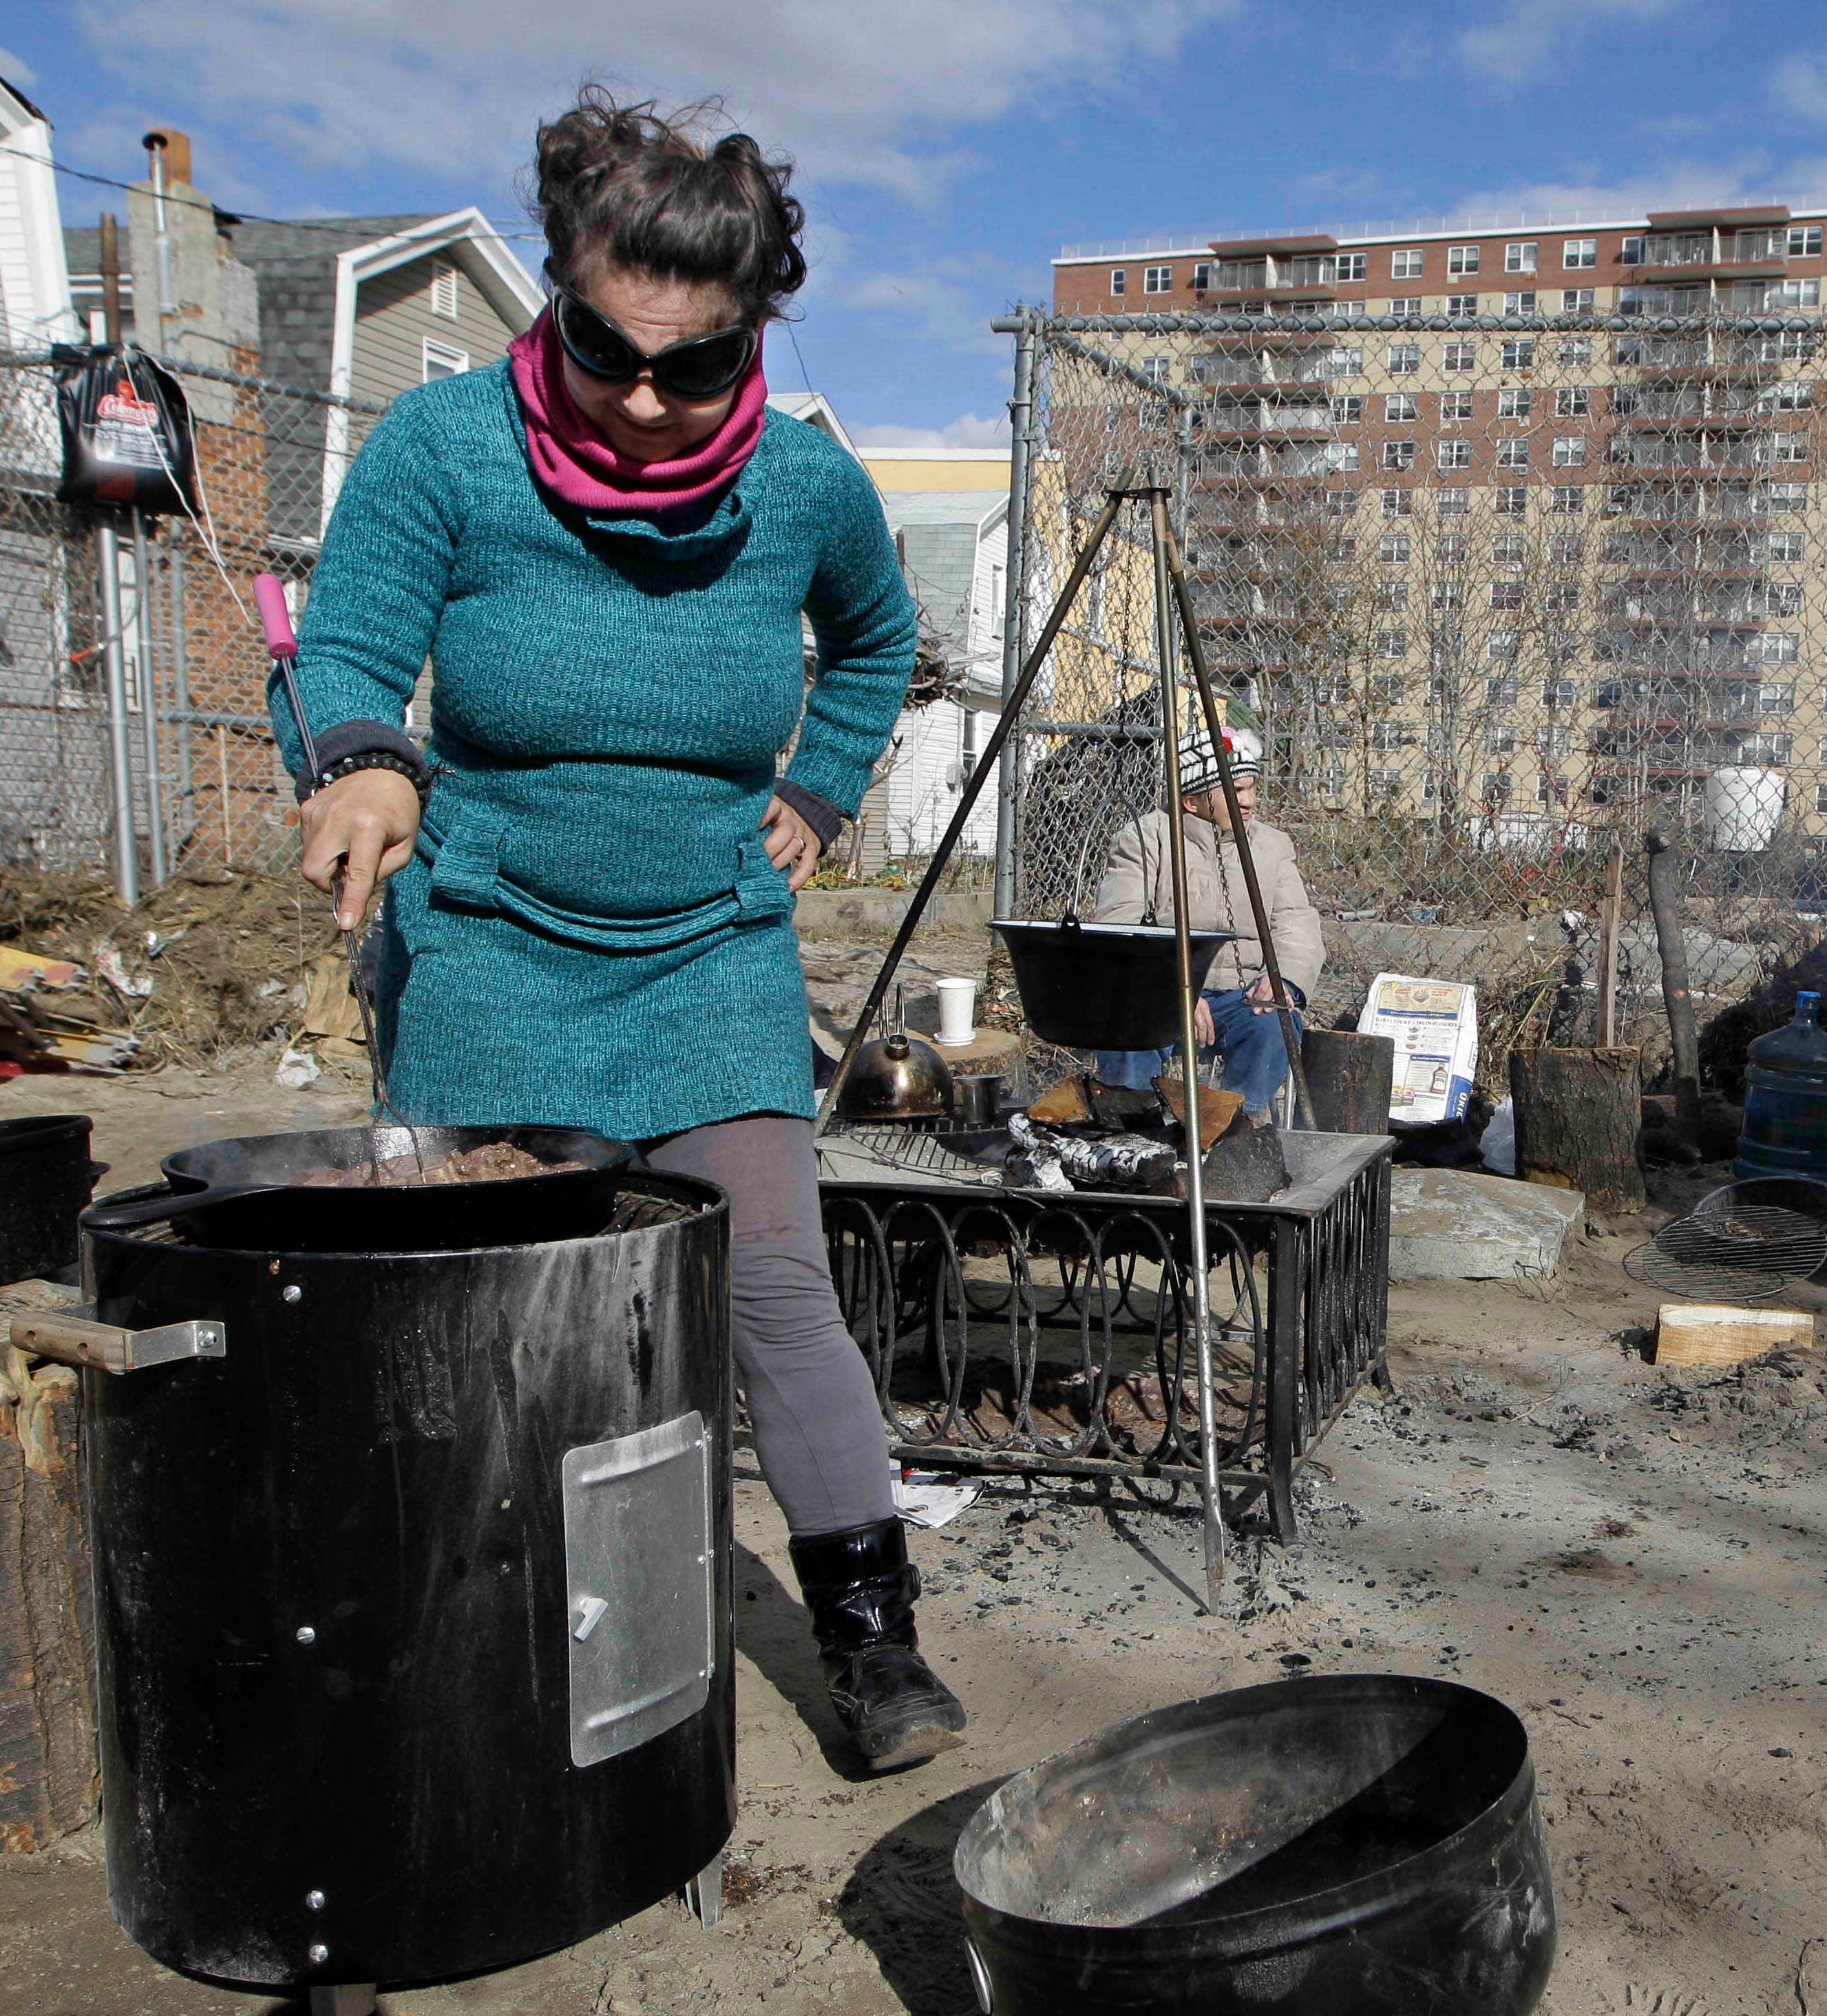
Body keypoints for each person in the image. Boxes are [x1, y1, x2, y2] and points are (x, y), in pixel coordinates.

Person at [271, 90, 968, 1767]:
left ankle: (876, 1654)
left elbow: (878, 644)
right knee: (494, 1302)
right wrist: (364, 761)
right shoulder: (444, 451)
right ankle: (491, 1642)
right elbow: (348, 645)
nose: (646, 393)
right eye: (608, 345)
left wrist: (825, 783)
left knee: (775, 1286)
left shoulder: (803, 487)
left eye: (695, 363)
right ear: (559, 301)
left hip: (709, 944)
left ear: (752, 343)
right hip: (495, 941)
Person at [1092, 724, 1326, 1114]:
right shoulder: (1147, 839)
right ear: (1191, 801)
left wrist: (1284, 978)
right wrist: (1178, 987)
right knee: (1128, 1027)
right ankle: (1135, 1126)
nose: (1249, 801)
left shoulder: (1272, 847)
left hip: (1242, 993)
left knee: (1273, 1026)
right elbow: (1120, 924)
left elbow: (1297, 923)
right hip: (1163, 992)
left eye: (1253, 787)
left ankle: (1236, 1128)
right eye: (1236, 792)